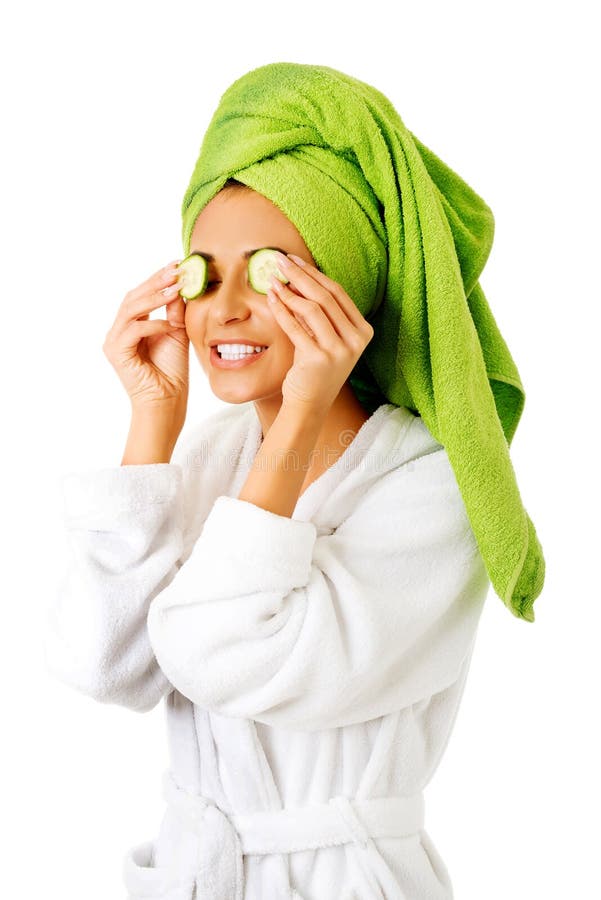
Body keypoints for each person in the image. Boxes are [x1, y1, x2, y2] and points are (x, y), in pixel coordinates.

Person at [45, 62, 544, 900]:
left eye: (269, 272)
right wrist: (153, 426)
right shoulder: (212, 455)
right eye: (203, 273)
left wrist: (306, 411)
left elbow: (219, 656)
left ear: (342, 289)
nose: (224, 308)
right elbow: (104, 664)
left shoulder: (432, 489)